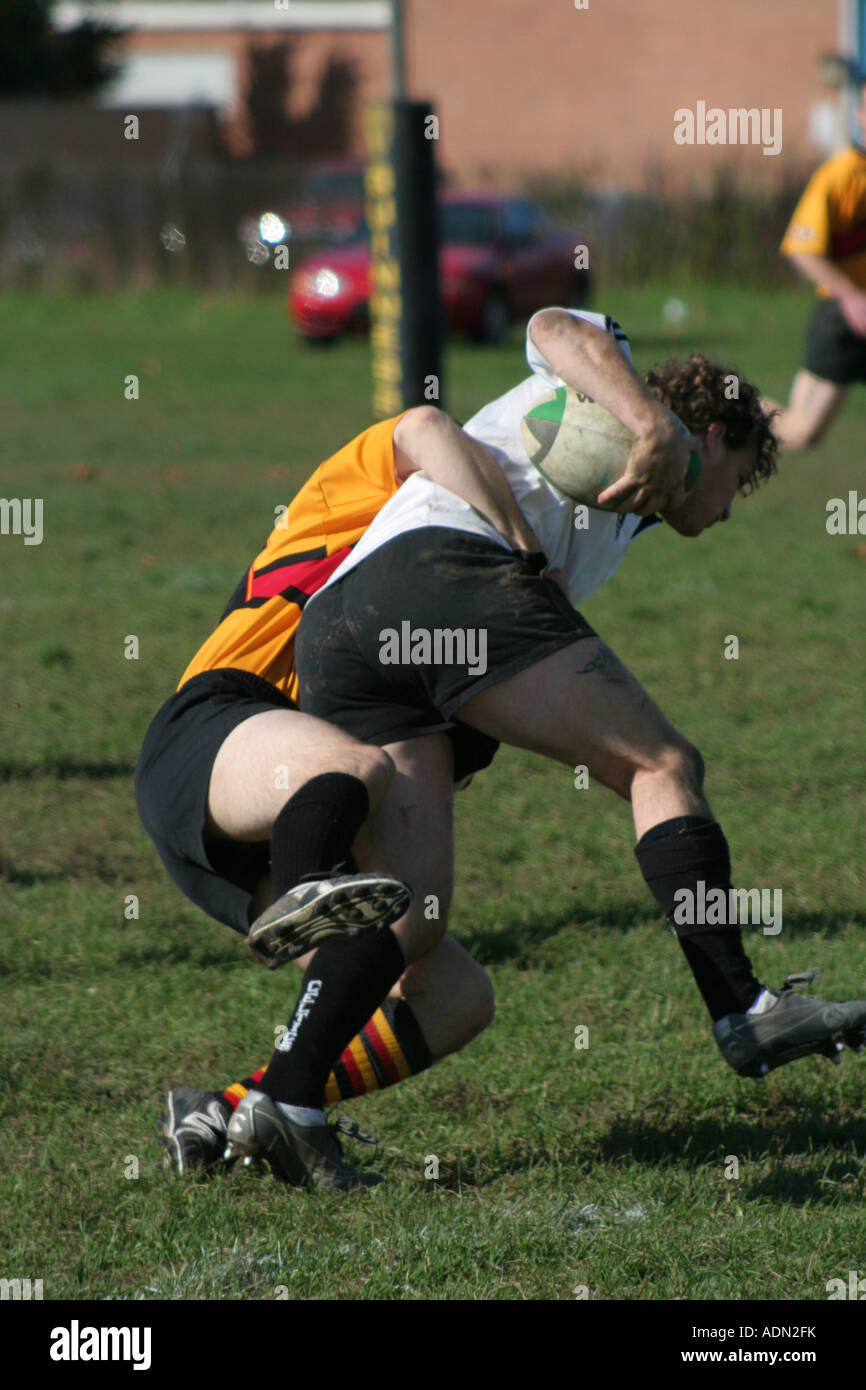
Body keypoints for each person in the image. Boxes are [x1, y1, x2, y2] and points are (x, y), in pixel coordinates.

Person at [219, 306, 866, 1188]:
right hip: (441, 575)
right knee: (663, 765)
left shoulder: (618, 514)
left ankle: (282, 1102)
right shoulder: (631, 399)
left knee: (414, 914)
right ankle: (741, 1004)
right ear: (712, 437)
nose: (724, 515)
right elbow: (553, 322)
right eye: (739, 483)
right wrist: (647, 424)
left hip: (346, 625)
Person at [767, 79, 866, 449]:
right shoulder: (841, 175)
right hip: (844, 317)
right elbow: (802, 250)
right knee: (802, 431)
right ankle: (730, 409)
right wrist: (852, 297)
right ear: (860, 116)